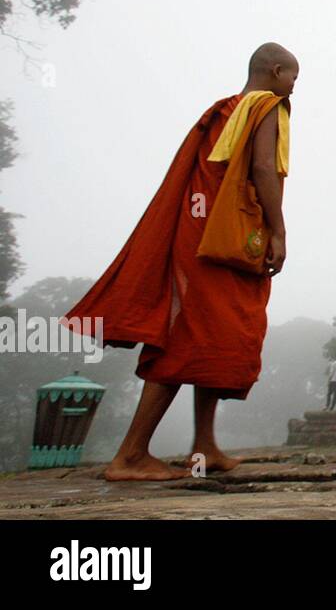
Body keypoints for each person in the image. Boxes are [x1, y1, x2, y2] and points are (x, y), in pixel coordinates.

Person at [62, 43, 298, 481]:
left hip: (200, 231)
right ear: (276, 71)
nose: (294, 90)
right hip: (225, 240)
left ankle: (204, 448)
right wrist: (278, 230)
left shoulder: (223, 110)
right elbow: (264, 168)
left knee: (211, 336)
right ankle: (131, 455)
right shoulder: (267, 106)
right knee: (186, 337)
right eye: (293, 79)